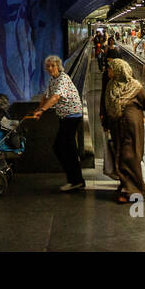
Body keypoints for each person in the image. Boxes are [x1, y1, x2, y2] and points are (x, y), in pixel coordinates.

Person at [101, 58, 145, 204]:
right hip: (117, 127)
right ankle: (125, 186)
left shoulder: (135, 87)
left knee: (129, 157)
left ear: (119, 70)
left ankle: (137, 190)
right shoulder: (111, 86)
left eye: (110, 69)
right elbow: (108, 107)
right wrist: (106, 123)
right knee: (120, 156)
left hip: (132, 128)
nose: (109, 71)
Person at [27, 55, 85, 192]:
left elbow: (55, 97)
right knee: (65, 148)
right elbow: (46, 96)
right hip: (65, 117)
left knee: (61, 147)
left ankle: (76, 180)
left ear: (58, 66)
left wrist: (42, 110)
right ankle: (75, 180)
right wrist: (38, 109)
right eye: (48, 66)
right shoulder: (53, 80)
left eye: (53, 65)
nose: (50, 68)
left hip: (72, 116)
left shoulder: (63, 78)